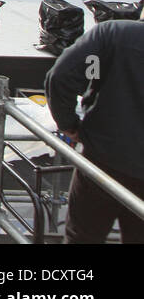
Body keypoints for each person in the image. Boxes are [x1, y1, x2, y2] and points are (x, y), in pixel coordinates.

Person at [45, 19, 144, 243]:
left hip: (103, 161)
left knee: (82, 237)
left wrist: (68, 125)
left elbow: (61, 76)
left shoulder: (113, 32)